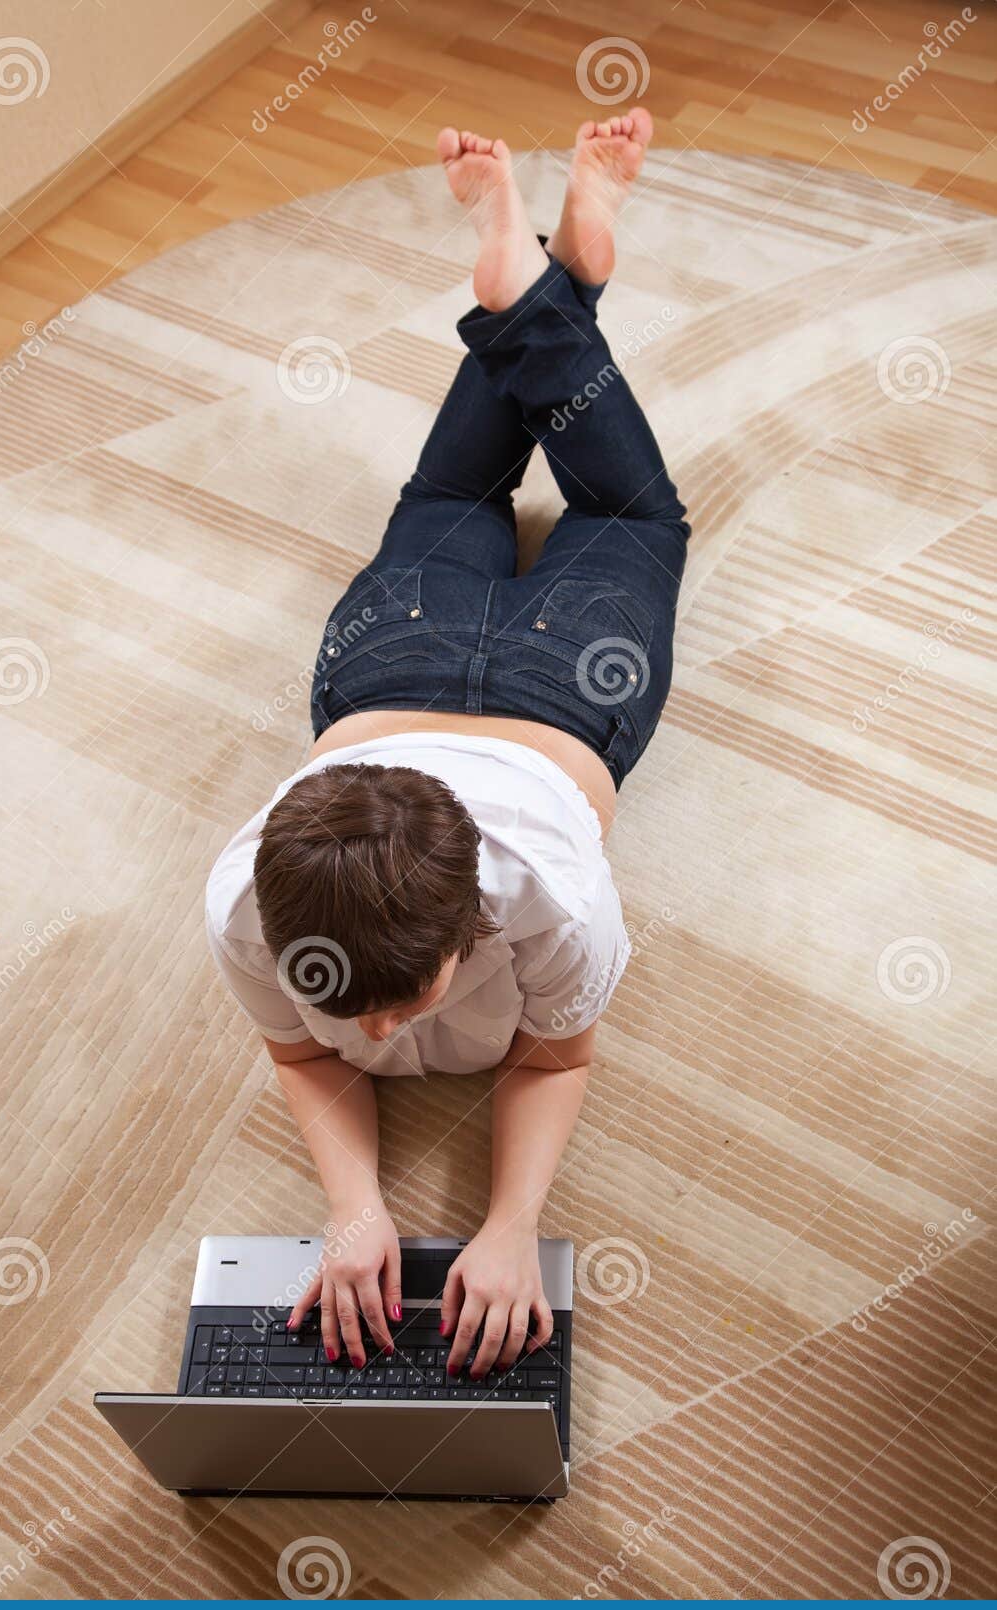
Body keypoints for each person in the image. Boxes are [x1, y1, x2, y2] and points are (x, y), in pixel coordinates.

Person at [206, 109, 689, 1386]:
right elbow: (304, 1048)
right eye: (342, 994)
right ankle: (547, 271)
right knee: (512, 501)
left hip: (525, 692)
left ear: (473, 922)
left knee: (580, 508)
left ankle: (548, 263)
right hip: (423, 672)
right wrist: (356, 1210)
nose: (364, 1031)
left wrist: (512, 1223)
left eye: (396, 1002)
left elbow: (553, 1049)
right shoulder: (245, 906)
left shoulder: (550, 897)